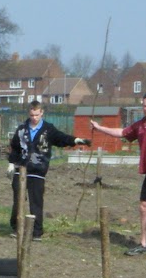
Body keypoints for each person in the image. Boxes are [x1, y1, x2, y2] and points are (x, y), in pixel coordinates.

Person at [90, 93, 146, 260]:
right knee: (144, 207)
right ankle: (144, 243)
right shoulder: (140, 125)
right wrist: (100, 128)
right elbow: (122, 133)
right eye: (145, 105)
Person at [7, 101, 89, 240]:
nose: (34, 118)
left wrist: (76, 140)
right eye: (32, 115)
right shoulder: (21, 129)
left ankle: (37, 232)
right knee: (18, 201)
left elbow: (61, 138)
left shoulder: (48, 129)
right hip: (20, 170)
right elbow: (14, 147)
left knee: (36, 202)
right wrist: (10, 163)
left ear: (42, 113)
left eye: (37, 115)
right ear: (29, 113)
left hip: (38, 171)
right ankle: (17, 228)